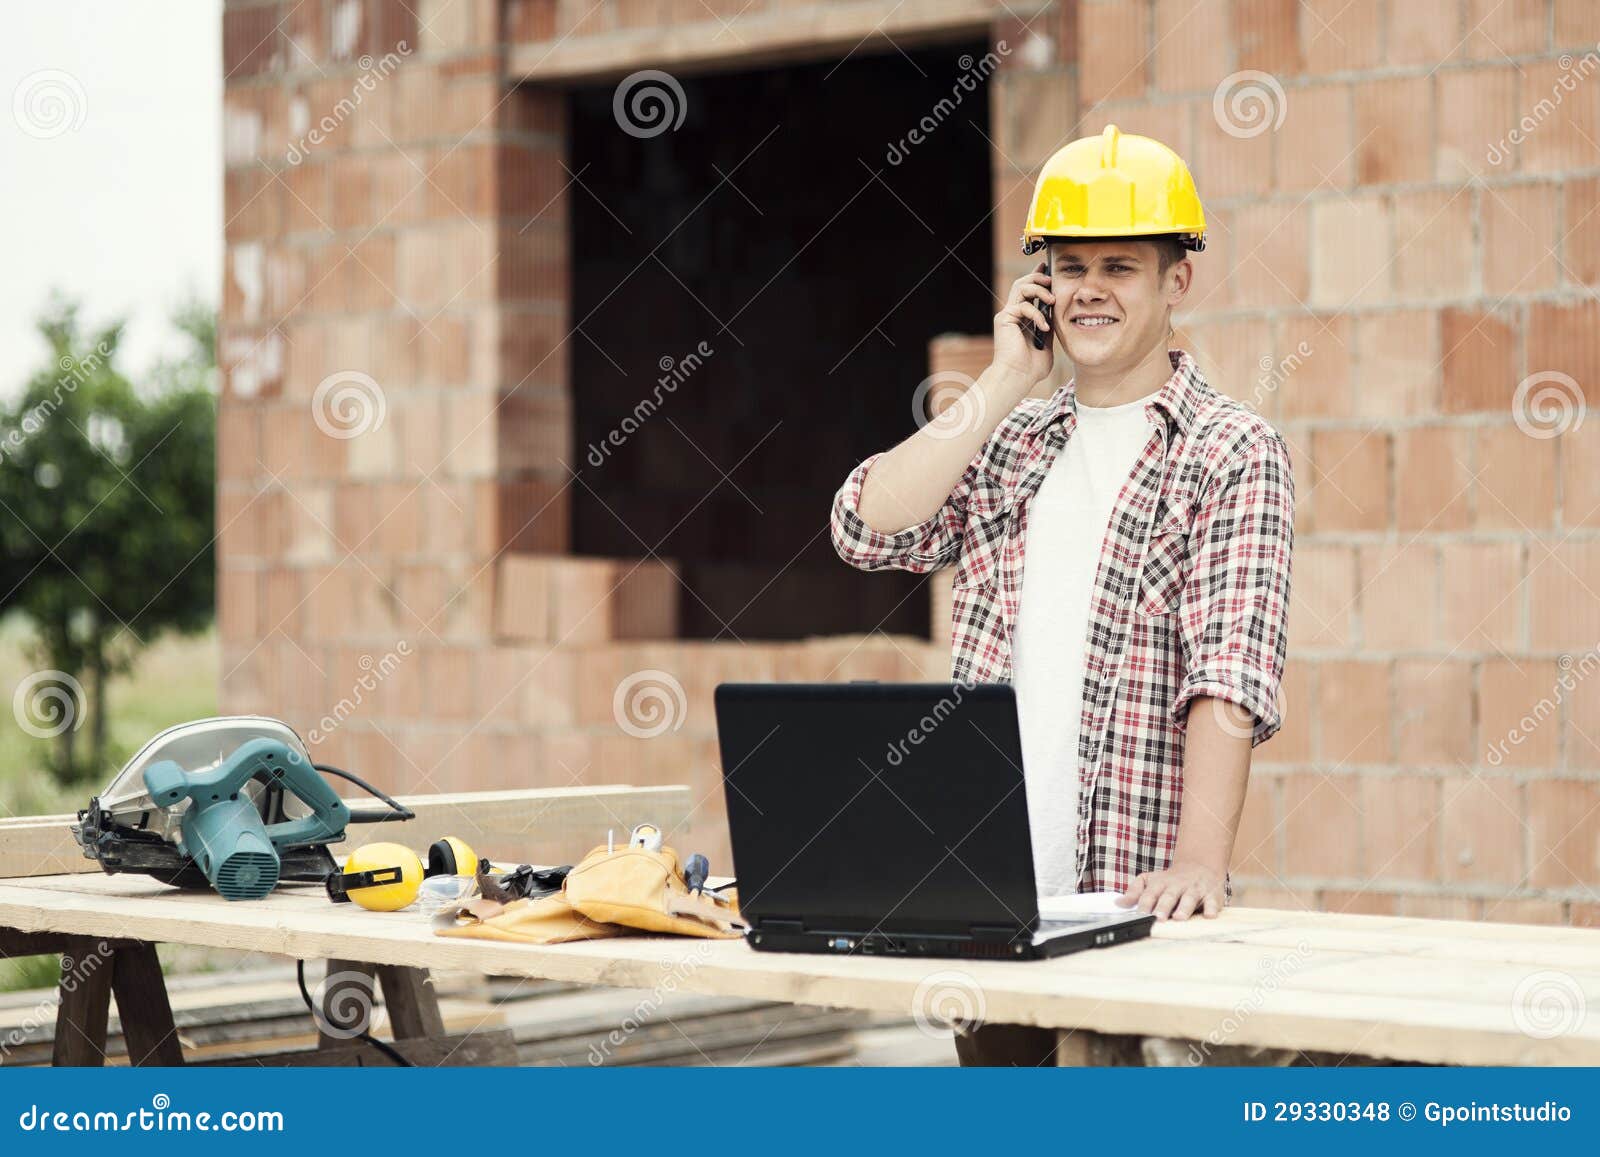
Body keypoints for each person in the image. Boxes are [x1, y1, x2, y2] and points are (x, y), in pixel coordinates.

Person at [828, 126, 1295, 1065]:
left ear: (1177, 280)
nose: (1090, 289)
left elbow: (1229, 671)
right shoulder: (1009, 441)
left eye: (1120, 266)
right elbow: (865, 527)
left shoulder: (1231, 452)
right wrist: (1005, 379)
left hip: (1130, 905)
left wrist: (1200, 861)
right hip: (989, 898)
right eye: (1070, 265)